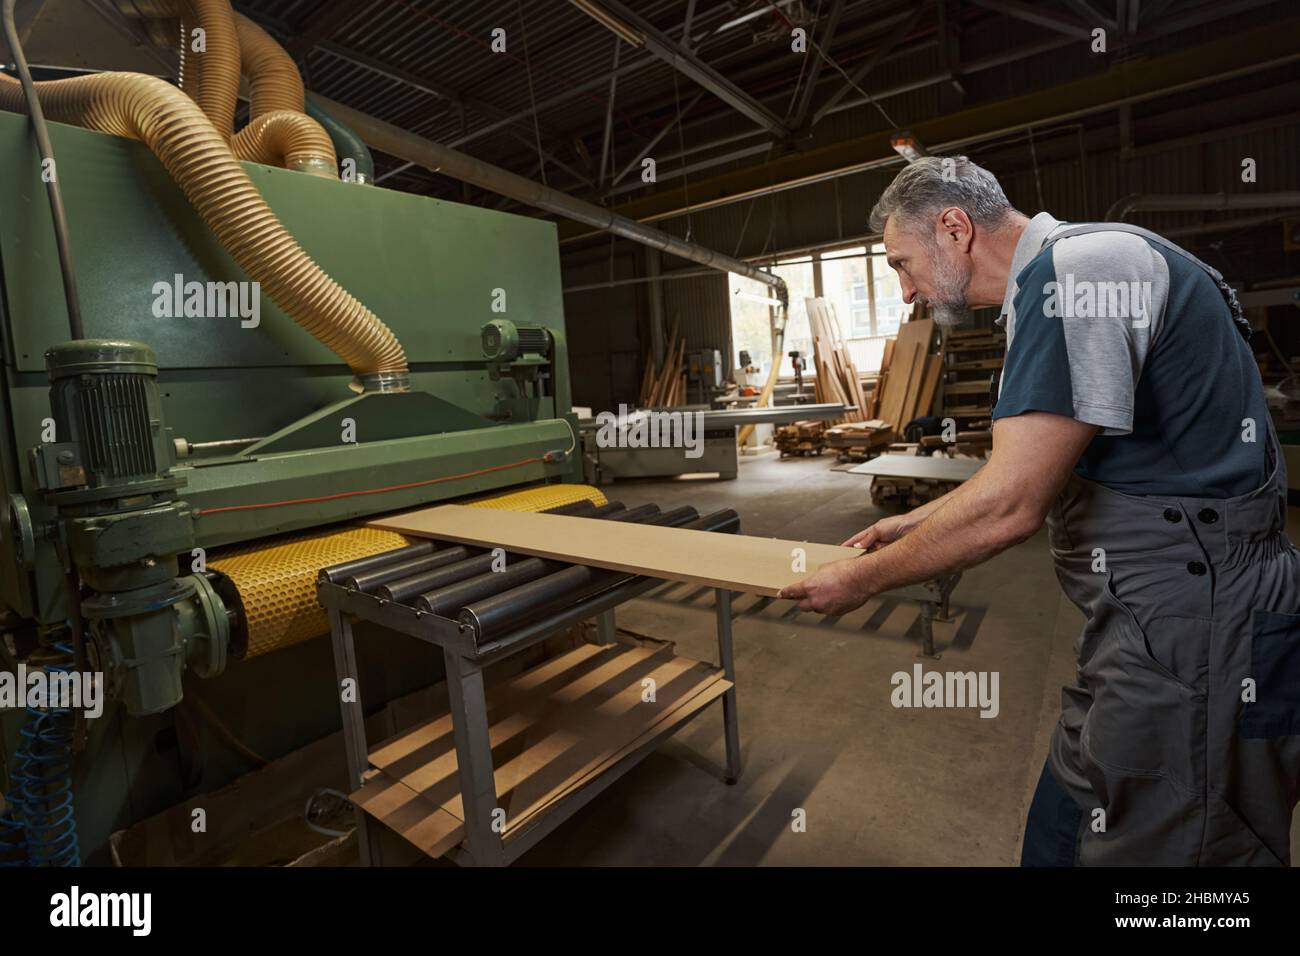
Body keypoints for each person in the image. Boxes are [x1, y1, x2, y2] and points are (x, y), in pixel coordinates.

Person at [779, 156, 1300, 866]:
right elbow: (1025, 470)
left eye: (902, 264)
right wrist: (914, 523)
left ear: (955, 228)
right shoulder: (1061, 276)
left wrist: (863, 581)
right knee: (1066, 821)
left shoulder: (1079, 276)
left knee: (1185, 849)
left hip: (1198, 618)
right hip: (1143, 613)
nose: (903, 292)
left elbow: (1012, 506)